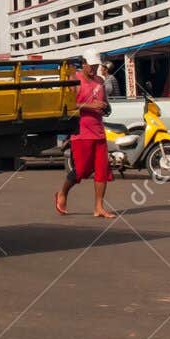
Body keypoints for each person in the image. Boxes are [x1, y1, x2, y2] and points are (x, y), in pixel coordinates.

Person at [56, 55, 115, 219]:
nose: (94, 69)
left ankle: (99, 207)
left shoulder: (100, 81)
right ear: (83, 64)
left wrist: (104, 107)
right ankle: (62, 193)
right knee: (81, 170)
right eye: (91, 65)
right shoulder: (75, 79)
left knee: (102, 170)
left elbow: (105, 102)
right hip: (81, 132)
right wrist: (91, 106)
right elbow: (70, 105)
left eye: (96, 66)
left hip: (98, 131)